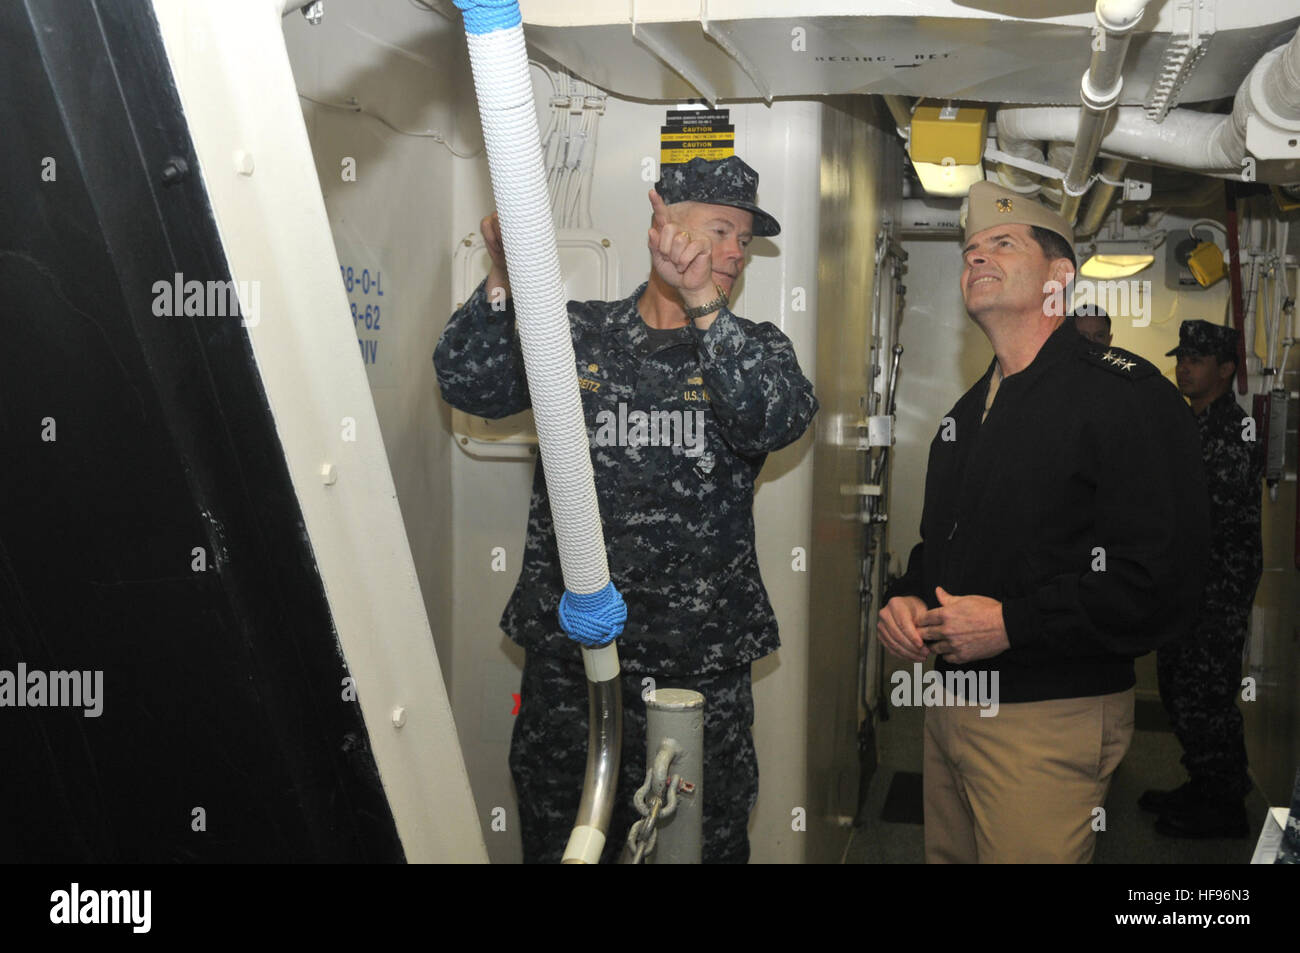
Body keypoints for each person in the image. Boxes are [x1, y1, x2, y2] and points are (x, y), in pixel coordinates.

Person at [434, 155, 818, 863]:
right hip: (572, 669)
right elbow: (470, 382)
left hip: (695, 670)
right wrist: (504, 279)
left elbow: (771, 420)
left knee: (697, 845)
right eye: (722, 230)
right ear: (660, 226)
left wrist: (703, 298)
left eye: (745, 239)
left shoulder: (755, 349)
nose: (736, 251)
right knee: (567, 841)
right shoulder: (577, 334)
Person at [876, 180, 1209, 863]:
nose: (978, 258)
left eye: (1003, 243)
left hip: (1049, 718)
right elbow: (943, 550)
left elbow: (1160, 580)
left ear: (1060, 276)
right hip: (949, 709)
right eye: (970, 250)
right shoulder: (967, 414)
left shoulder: (1126, 399)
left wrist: (1012, 623)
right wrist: (905, 596)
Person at [1141, 320, 1262, 838]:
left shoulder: (1231, 434)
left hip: (1217, 589)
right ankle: (1203, 782)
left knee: (1206, 695)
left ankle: (1225, 805)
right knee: (1178, 687)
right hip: (1185, 588)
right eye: (1181, 356)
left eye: (1196, 358)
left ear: (1227, 370)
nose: (1183, 366)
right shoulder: (1191, 424)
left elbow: (1207, 520)